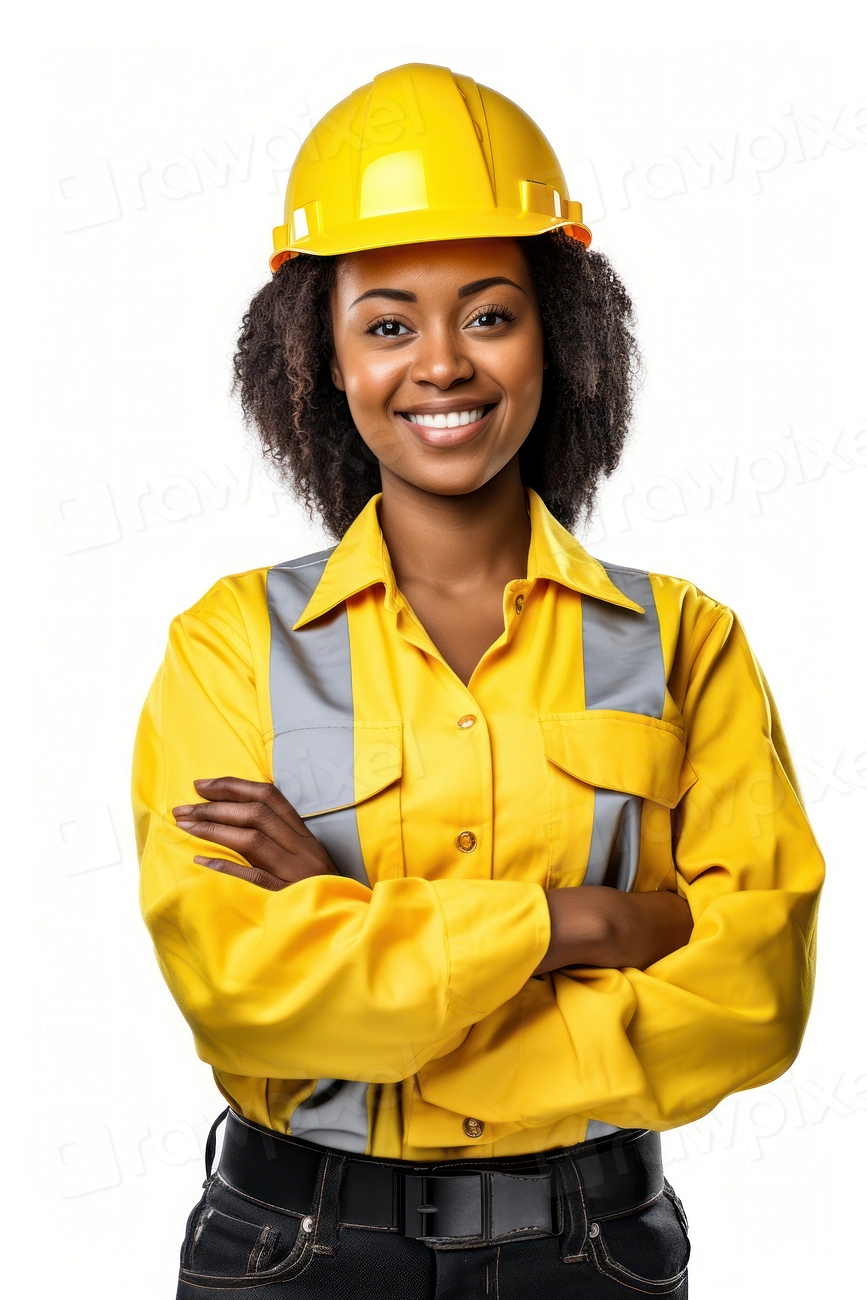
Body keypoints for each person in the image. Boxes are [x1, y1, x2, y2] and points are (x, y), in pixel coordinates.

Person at [132, 63, 825, 1299]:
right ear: (322, 359)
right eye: (388, 322)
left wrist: (360, 931)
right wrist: (592, 923)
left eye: (490, 314)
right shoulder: (231, 643)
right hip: (296, 1250)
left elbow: (753, 994)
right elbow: (246, 992)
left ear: (559, 334)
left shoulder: (687, 644)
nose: (442, 364)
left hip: (594, 1251)